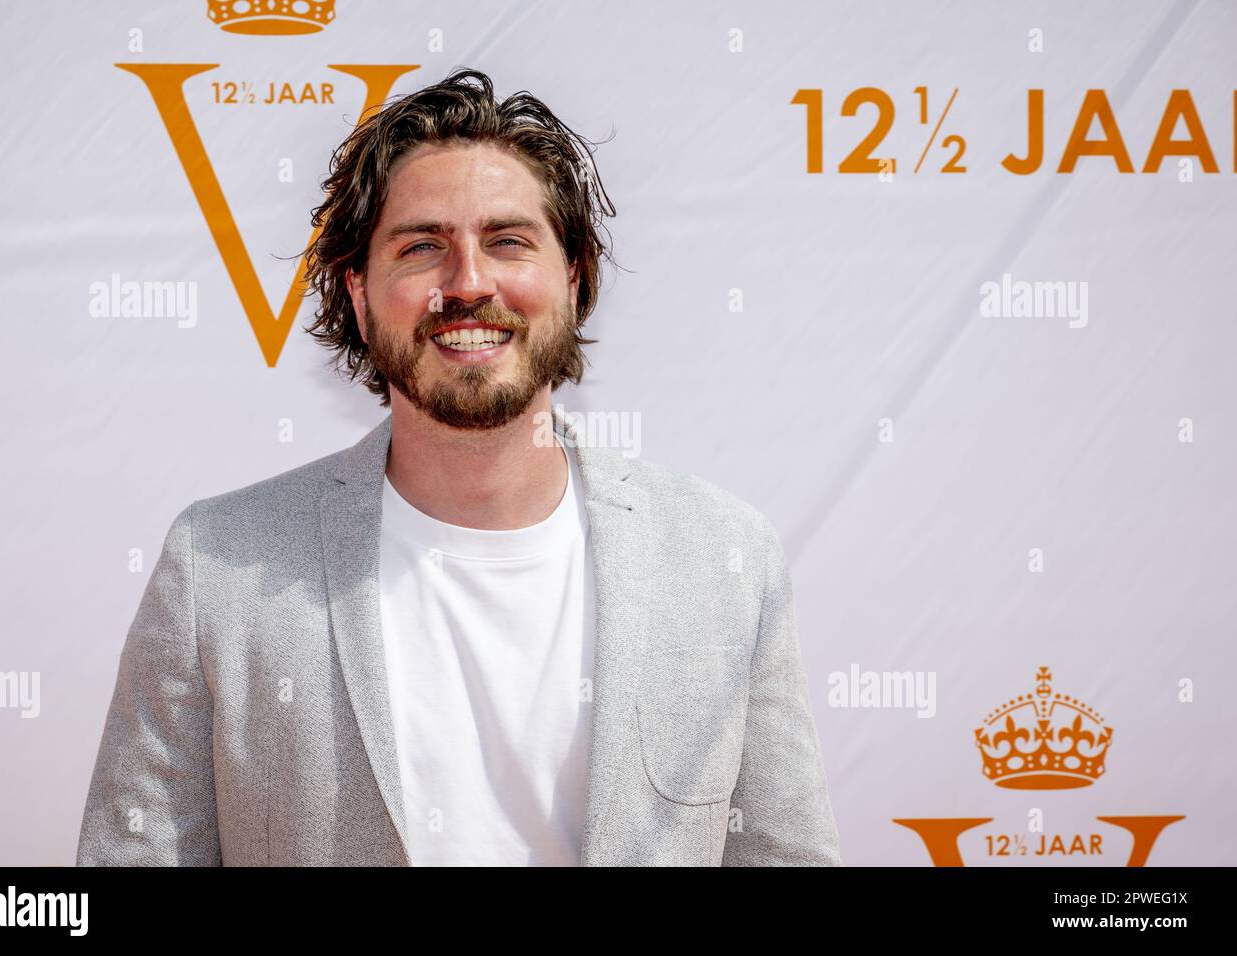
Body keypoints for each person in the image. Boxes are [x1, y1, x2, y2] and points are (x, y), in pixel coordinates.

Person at [75, 68, 840, 866]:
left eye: (508, 241)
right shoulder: (218, 568)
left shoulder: (723, 559)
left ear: (572, 281)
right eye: (422, 247)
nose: (468, 283)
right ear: (361, 295)